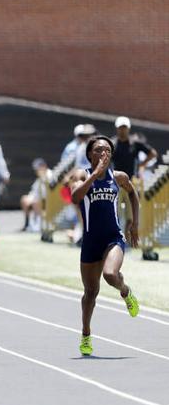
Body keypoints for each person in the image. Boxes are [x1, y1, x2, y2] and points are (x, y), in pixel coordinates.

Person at [70, 136, 140, 356]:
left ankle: (125, 291)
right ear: (90, 154)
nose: (104, 154)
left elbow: (133, 193)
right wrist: (95, 174)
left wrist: (134, 223)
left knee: (110, 274)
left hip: (113, 237)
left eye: (108, 150)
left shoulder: (118, 177)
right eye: (99, 150)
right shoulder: (81, 175)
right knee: (90, 292)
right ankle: (86, 334)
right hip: (91, 241)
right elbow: (75, 197)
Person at [111, 116, 158, 260]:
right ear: (117, 128)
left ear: (128, 128)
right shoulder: (112, 143)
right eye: (120, 127)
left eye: (125, 127)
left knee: (131, 215)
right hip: (116, 184)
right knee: (115, 214)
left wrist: (142, 164)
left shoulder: (135, 143)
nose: (122, 130)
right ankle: (115, 240)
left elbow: (153, 153)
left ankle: (126, 240)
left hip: (131, 183)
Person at [20, 157, 50, 232]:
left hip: (48, 201)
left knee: (35, 202)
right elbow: (33, 192)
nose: (37, 171)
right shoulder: (39, 179)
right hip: (40, 199)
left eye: (38, 168)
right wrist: (29, 199)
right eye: (36, 169)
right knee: (24, 199)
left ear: (44, 166)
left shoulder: (50, 175)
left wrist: (33, 199)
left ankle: (39, 224)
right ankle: (27, 224)